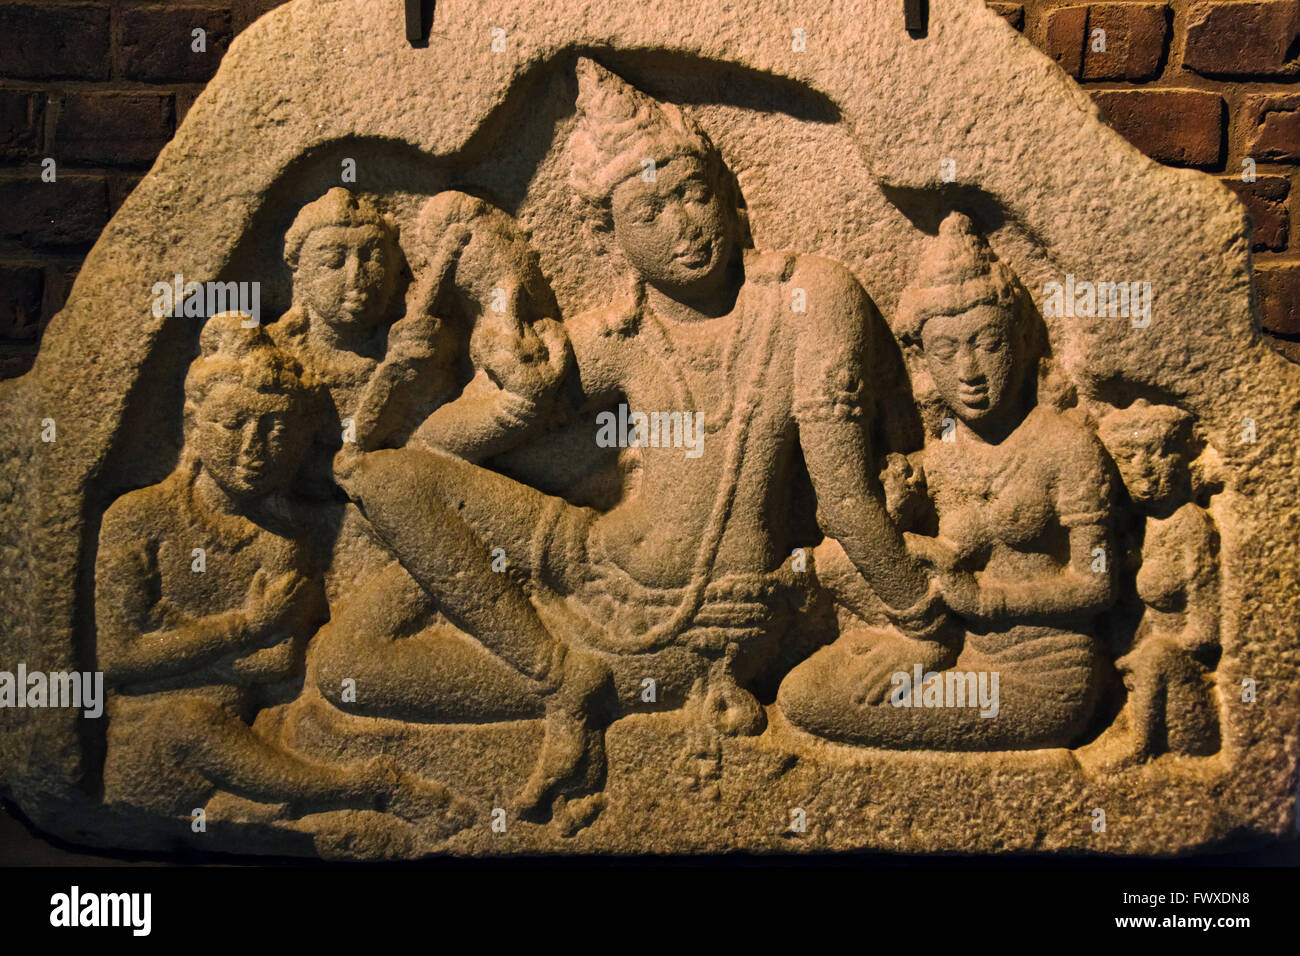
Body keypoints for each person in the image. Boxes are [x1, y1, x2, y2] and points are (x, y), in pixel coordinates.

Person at [332, 58, 939, 813]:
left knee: (354, 668)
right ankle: (559, 677)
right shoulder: (616, 336)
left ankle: (567, 683)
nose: (684, 226)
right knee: (376, 500)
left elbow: (846, 498)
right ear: (611, 235)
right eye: (650, 212)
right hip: (588, 565)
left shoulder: (806, 298)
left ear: (725, 193)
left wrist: (924, 623)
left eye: (692, 193)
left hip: (694, 628)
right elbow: (428, 455)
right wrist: (521, 400)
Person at [96, 314, 469, 834]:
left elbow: (276, 663)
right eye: (232, 425)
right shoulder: (140, 517)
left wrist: (176, 645)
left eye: (274, 429)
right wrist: (242, 629)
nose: (252, 448)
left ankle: (311, 799)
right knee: (190, 722)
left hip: (250, 729)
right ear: (192, 424)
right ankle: (367, 786)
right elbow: (119, 657)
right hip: (152, 747)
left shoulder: (280, 534)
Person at [779, 211, 1117, 750]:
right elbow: (900, 550)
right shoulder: (941, 456)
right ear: (923, 360)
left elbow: (1098, 583)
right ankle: (915, 650)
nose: (970, 371)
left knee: (814, 702)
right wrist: (895, 511)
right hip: (955, 644)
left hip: (1043, 675)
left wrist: (988, 602)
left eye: (988, 343)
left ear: (1023, 338)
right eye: (946, 351)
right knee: (804, 686)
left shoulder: (1066, 447)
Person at [1099, 400, 1220, 758]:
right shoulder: (1129, 529)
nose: (1146, 470)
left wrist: (1146, 655)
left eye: (1158, 454)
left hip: (1183, 693)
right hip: (1134, 678)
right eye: (1128, 458)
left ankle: (1139, 748)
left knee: (1157, 653)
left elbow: (1205, 630)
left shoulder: (1192, 525)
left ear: (1182, 460)